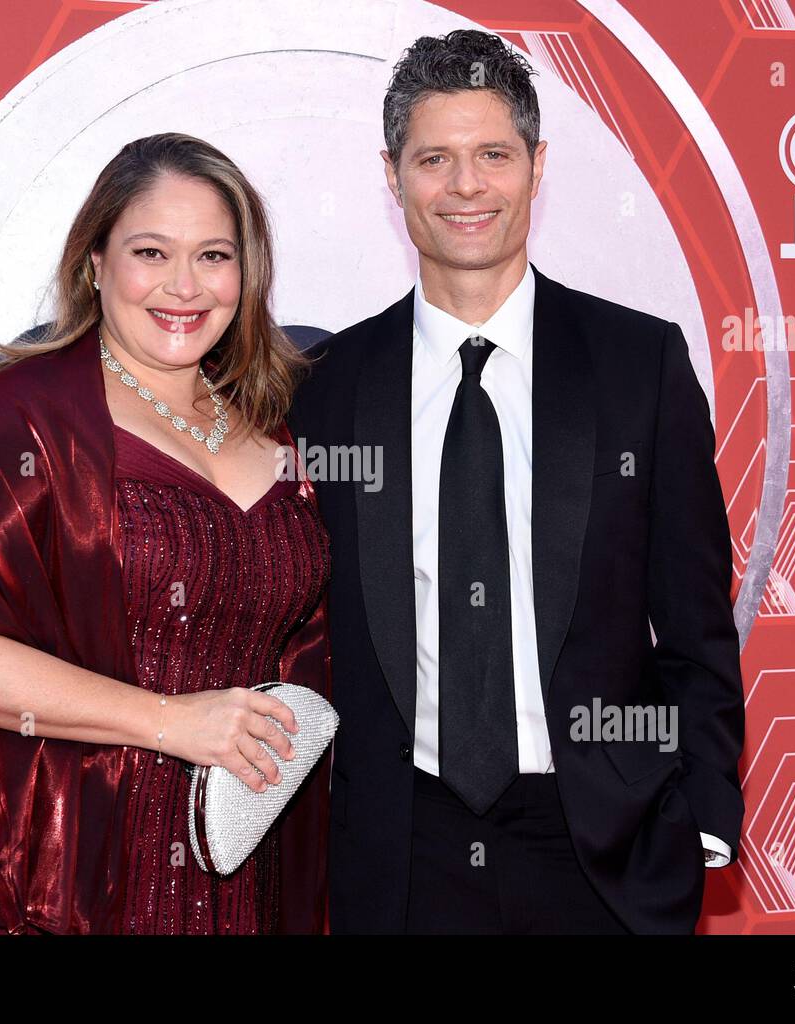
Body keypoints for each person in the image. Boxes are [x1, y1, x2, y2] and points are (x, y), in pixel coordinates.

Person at [287, 29, 745, 934]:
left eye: (493, 154)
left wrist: (700, 815)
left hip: (604, 851)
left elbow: (695, 620)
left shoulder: (637, 364)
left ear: (537, 168)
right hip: (400, 854)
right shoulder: (325, 386)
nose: (466, 186)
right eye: (435, 159)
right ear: (393, 175)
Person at [0, 133, 332, 935]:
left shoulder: (279, 422)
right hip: (42, 845)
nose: (184, 286)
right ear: (94, 263)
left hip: (220, 844)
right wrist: (171, 721)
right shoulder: (25, 415)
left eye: (214, 256)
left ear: (247, 272)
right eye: (151, 252)